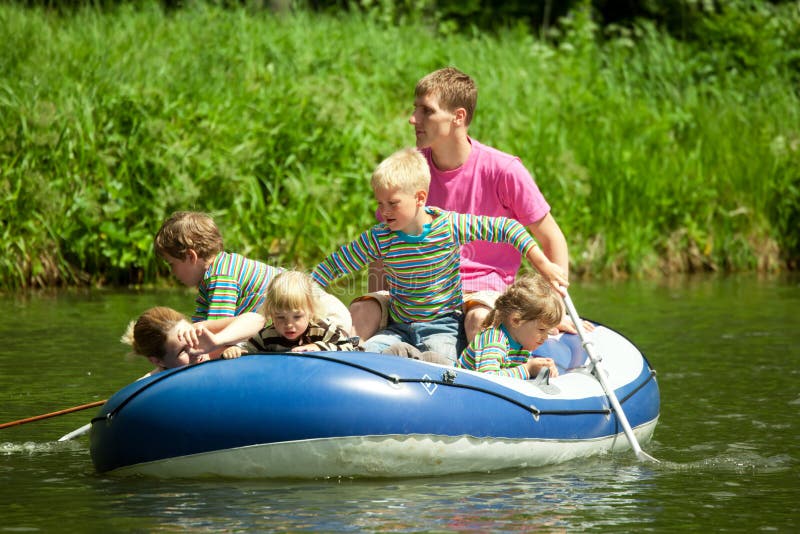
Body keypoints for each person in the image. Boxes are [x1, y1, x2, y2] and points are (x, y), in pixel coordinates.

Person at [349, 67, 578, 345]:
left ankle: (487, 371)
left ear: (458, 117)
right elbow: (383, 243)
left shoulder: (504, 171)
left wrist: (553, 310)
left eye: (426, 111)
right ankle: (340, 365)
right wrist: (380, 299)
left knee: (476, 318)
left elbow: (551, 237)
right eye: (415, 109)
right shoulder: (410, 172)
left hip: (481, 292)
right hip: (415, 294)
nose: (413, 119)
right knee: (361, 310)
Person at [311, 147, 567, 362]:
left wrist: (542, 263)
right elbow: (337, 264)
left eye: (393, 203)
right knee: (366, 355)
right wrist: (303, 288)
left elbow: (507, 227)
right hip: (398, 328)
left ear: (420, 198)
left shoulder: (448, 226)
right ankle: (395, 361)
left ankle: (425, 364)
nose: (384, 211)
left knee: (440, 364)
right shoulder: (380, 237)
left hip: (443, 327)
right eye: (380, 203)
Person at [154, 211, 352, 331]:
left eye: (172, 264)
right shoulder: (210, 281)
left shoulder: (221, 276)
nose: (172, 272)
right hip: (299, 315)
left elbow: (215, 327)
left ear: (191, 256)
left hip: (320, 312)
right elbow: (202, 325)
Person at [216, 270, 360, 357]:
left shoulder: (322, 329)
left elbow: (348, 347)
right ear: (271, 314)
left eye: (297, 317)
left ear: (310, 312)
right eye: (280, 317)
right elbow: (250, 347)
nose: (289, 324)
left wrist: (318, 347)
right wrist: (235, 349)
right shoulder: (268, 335)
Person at [457, 272, 563, 380]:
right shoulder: (494, 340)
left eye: (548, 331)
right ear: (516, 320)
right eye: (541, 329)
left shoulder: (522, 343)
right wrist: (528, 369)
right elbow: (488, 379)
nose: (545, 337)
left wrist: (542, 369)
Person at [121, 306, 266, 376]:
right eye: (183, 351)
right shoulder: (153, 381)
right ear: (159, 362)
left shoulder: (202, 335)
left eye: (192, 337)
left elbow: (257, 319)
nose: (195, 350)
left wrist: (217, 340)